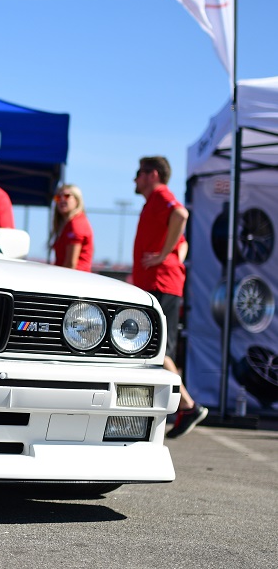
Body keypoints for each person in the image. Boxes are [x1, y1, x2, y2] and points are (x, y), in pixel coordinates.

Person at [132, 155, 206, 438]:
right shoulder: (153, 203)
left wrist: (164, 257)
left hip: (161, 284)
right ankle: (182, 407)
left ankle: (187, 405)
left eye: (139, 173)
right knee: (159, 349)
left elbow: (182, 215)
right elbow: (183, 243)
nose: (135, 179)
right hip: (160, 283)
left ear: (152, 175)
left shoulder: (162, 196)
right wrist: (172, 255)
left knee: (157, 348)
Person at [49, 184, 94, 271]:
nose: (61, 200)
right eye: (58, 197)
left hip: (74, 279)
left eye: (66, 196)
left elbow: (71, 264)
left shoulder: (76, 224)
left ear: (77, 200)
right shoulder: (67, 224)